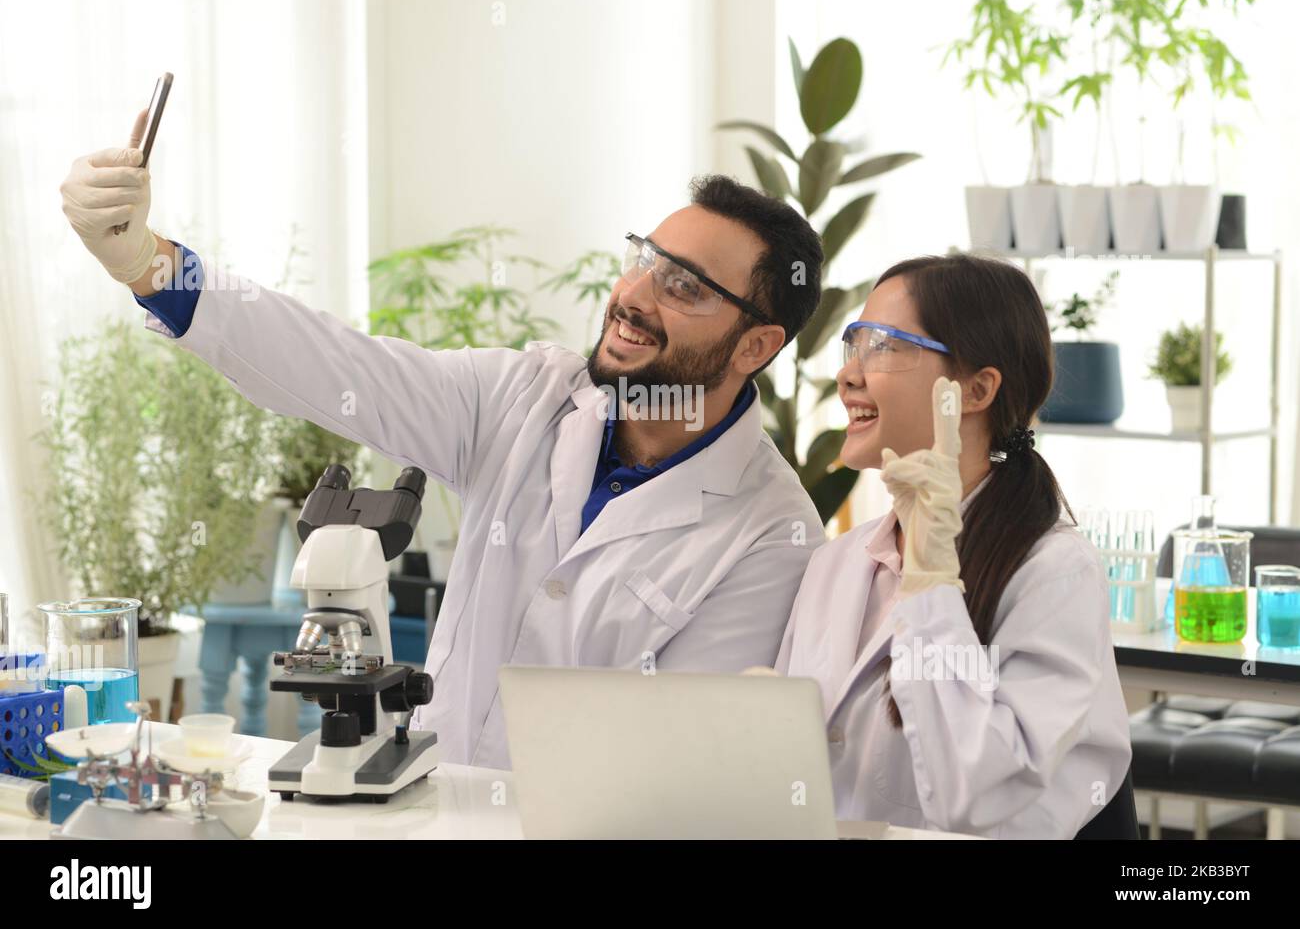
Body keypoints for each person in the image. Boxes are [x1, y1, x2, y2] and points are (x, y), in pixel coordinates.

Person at [59, 117, 826, 768]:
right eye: (643, 260)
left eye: (683, 286)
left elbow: (674, 763)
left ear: (755, 345)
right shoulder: (523, 398)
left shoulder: (770, 535)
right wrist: (152, 265)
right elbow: (337, 368)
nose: (632, 295)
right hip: (431, 814)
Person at [775, 253, 1131, 838]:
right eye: (853, 344)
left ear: (976, 389)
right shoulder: (839, 561)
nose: (848, 375)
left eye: (883, 346)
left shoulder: (1055, 572)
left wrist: (932, 582)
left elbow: (975, 797)